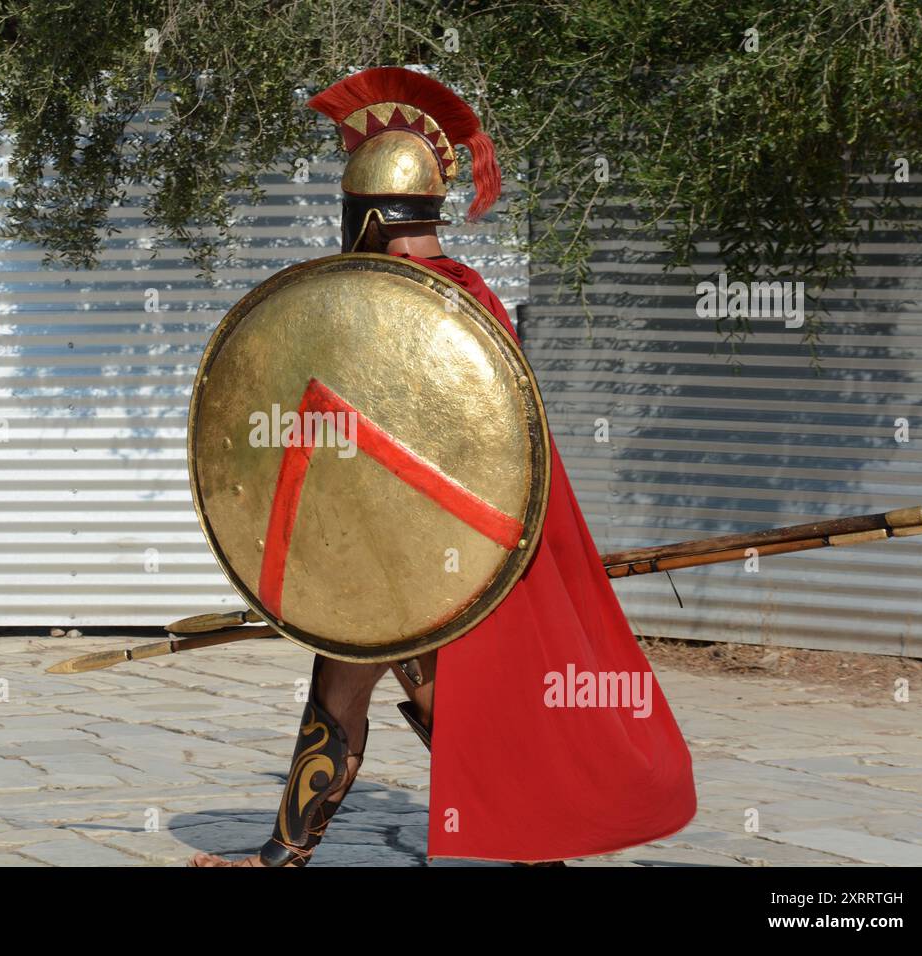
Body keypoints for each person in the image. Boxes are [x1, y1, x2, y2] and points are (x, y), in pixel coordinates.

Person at [190, 67, 696, 867]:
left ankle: (524, 844)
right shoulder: (466, 295)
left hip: (422, 555)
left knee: (393, 692)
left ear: (364, 213)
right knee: (371, 689)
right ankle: (299, 856)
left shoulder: (403, 302)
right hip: (403, 547)